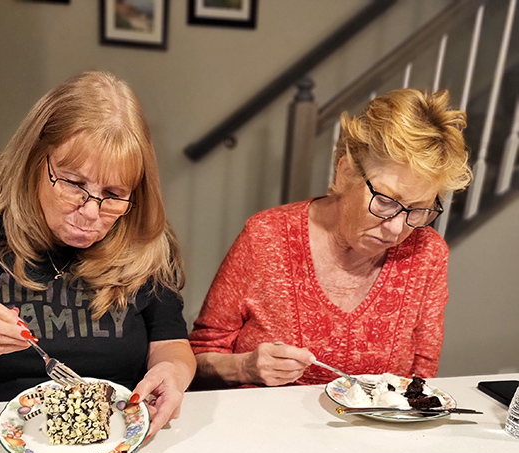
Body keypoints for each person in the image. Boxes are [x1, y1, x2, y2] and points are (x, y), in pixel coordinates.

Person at [0, 71, 195, 437]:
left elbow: (171, 343)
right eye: (74, 183)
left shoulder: (144, 234)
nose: (91, 212)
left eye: (114, 195)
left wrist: (173, 372)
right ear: (34, 158)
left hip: (113, 436)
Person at [188, 88, 471, 388]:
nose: (396, 229)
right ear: (345, 173)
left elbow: (421, 380)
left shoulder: (427, 254)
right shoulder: (265, 237)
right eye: (385, 201)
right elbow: (198, 356)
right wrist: (244, 368)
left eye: (419, 209)